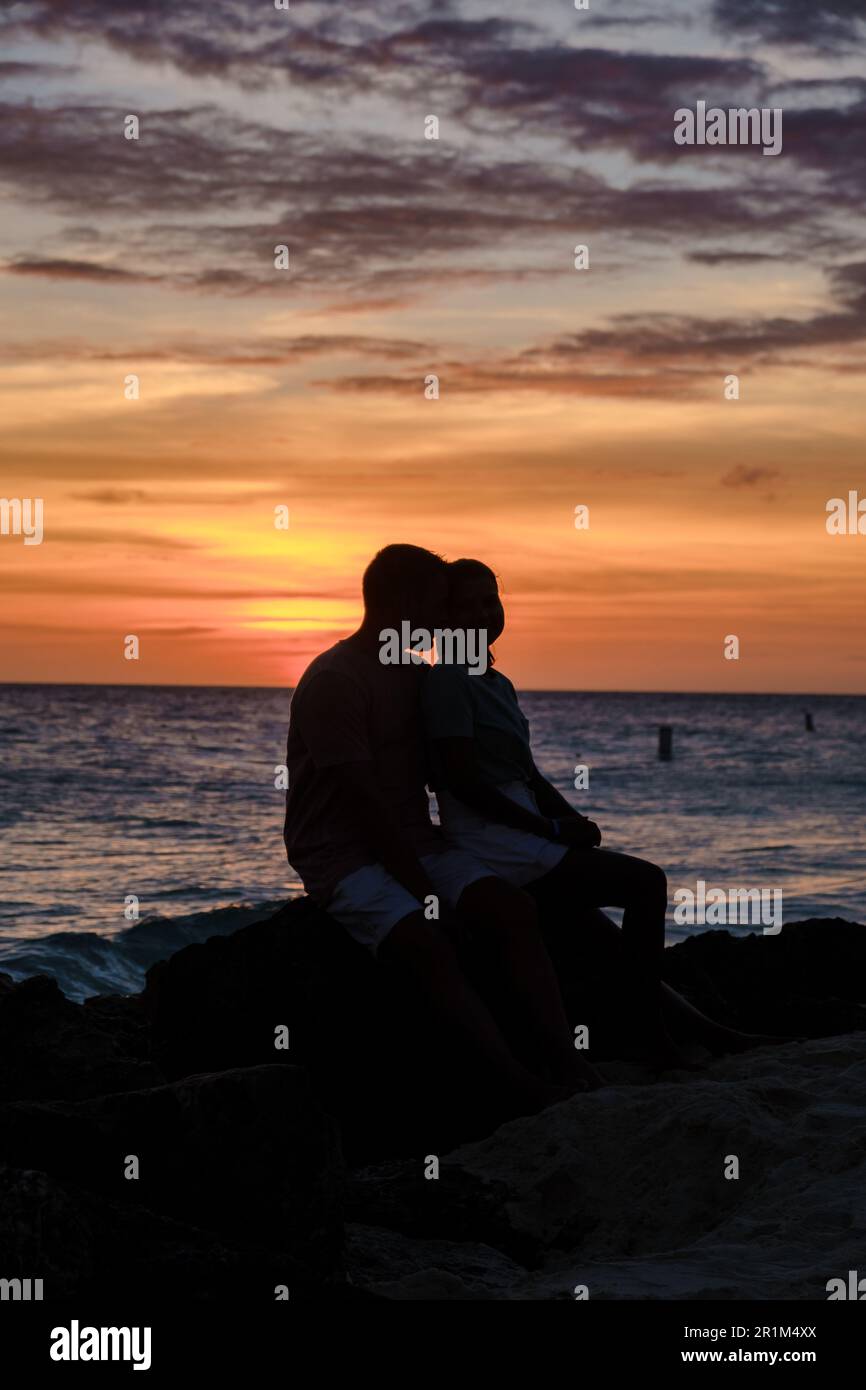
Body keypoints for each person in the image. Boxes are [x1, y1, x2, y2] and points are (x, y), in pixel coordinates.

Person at [422, 558, 779, 1067]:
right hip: (490, 839)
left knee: (603, 935)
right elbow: (462, 781)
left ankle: (711, 1032)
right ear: (446, 617)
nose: (486, 612)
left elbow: (529, 775)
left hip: (521, 832)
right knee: (644, 883)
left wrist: (573, 822)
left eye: (492, 600)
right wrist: (548, 828)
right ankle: (649, 1038)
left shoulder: (493, 681)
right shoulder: (447, 681)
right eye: (470, 604)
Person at [283, 544, 599, 1116]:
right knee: (430, 942)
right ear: (403, 603)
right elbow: (364, 807)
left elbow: (456, 769)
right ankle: (514, 1084)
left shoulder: (417, 674)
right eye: (437, 604)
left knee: (511, 909)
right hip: (341, 855)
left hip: (418, 839)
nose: (446, 619)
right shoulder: (336, 680)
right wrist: (426, 895)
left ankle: (563, 1058)